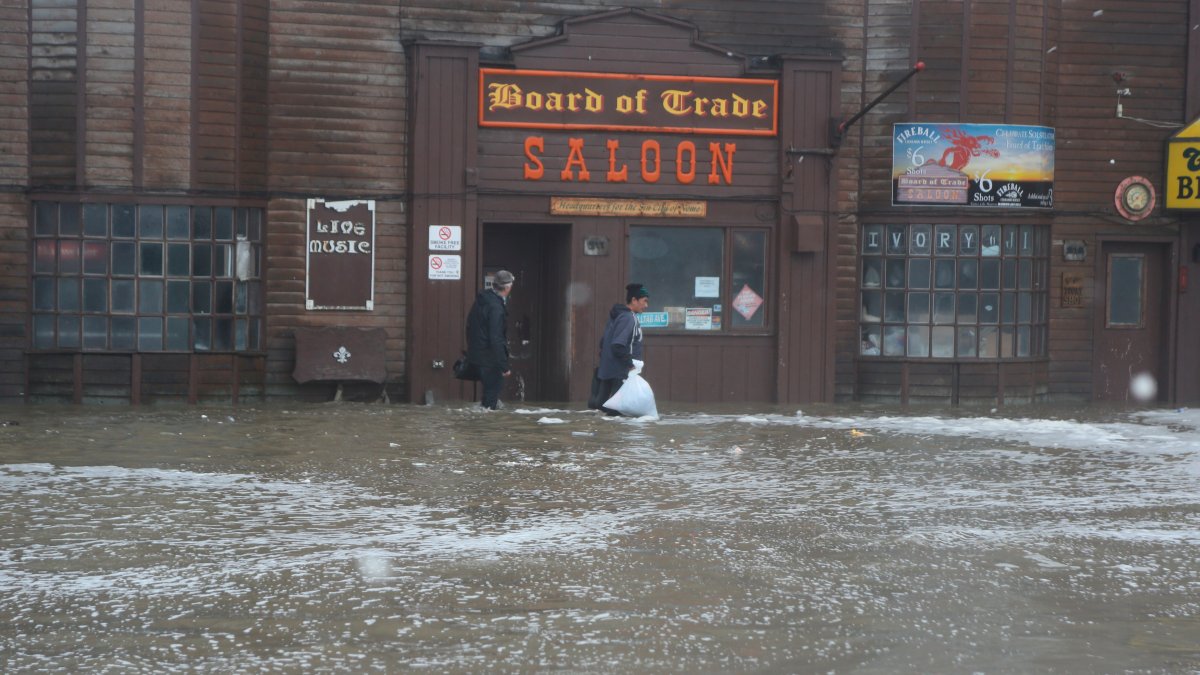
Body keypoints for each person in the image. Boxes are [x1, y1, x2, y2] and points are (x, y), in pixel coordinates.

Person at [594, 283, 649, 415]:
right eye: (644, 301)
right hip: (620, 373)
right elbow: (618, 345)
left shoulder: (617, 316)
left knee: (603, 412)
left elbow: (603, 343)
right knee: (617, 415)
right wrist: (630, 365)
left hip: (607, 371)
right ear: (634, 300)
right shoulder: (629, 318)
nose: (646, 305)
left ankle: (601, 434)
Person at [466, 270, 514, 410]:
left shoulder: (482, 301)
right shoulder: (496, 307)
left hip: (478, 356)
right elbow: (496, 337)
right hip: (490, 358)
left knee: (487, 395)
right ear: (507, 288)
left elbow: (469, 327)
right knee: (491, 396)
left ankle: (482, 424)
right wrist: (503, 365)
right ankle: (487, 428)